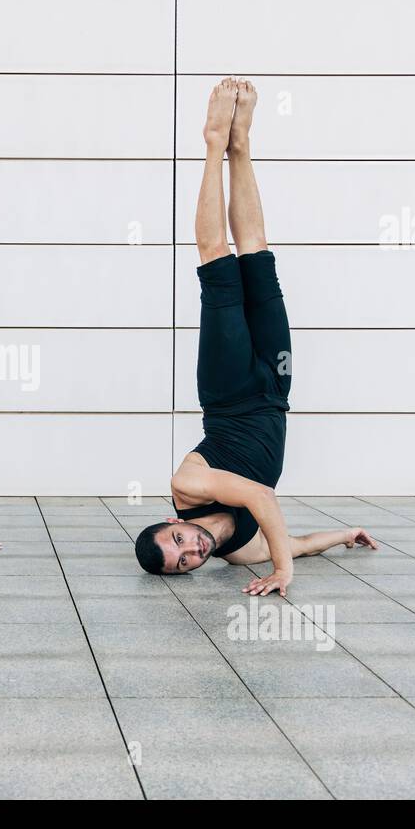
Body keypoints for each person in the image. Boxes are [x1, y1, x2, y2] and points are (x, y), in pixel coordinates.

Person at [134, 80, 377, 594]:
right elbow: (295, 542)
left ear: (172, 521)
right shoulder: (241, 551)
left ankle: (213, 142)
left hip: (229, 390)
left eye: (176, 541)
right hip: (275, 389)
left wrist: (283, 572)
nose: (191, 551)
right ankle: (242, 144)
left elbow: (264, 500)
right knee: (259, 255)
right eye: (184, 562)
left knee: (217, 260)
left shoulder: (189, 486)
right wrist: (342, 535)